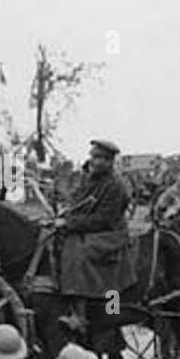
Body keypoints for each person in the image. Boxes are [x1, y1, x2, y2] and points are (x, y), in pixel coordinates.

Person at [56, 139, 133, 335]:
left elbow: (103, 220)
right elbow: (77, 202)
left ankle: (79, 315)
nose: (94, 162)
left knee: (78, 252)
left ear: (110, 161)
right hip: (91, 228)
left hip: (111, 233)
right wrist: (66, 213)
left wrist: (69, 224)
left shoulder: (116, 186)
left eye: (100, 158)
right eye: (93, 157)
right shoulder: (89, 179)